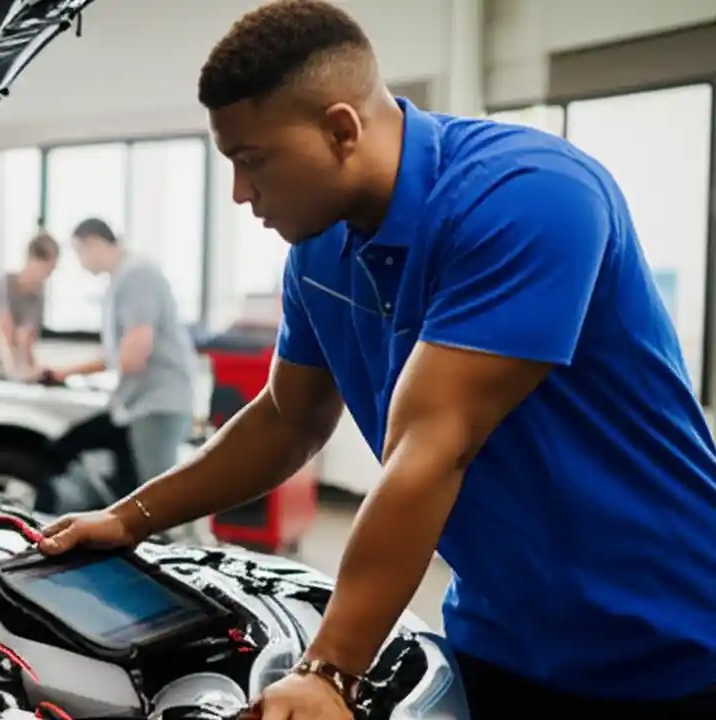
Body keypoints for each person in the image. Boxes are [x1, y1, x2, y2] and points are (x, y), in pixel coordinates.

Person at [35, 2, 716, 718]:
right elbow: (284, 420)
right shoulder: (317, 252)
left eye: (251, 160)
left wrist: (330, 670)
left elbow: (432, 446)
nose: (239, 193)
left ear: (340, 129)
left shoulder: (528, 197)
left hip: (669, 636)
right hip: (501, 632)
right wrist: (130, 517)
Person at [43, 218, 198, 497]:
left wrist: (107, 392)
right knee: (129, 486)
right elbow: (118, 352)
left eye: (79, 253)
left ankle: (175, 540)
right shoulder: (124, 278)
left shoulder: (136, 275)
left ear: (92, 243)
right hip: (140, 403)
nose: (80, 263)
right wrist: (64, 373)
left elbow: (136, 349)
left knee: (156, 495)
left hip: (155, 404)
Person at [0, 231, 59, 377]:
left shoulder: (38, 295)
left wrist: (32, 370)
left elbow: (25, 338)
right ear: (30, 259)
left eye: (52, 269)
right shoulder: (1, 286)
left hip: (5, 368)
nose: (48, 275)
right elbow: (3, 336)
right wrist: (16, 373)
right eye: (46, 267)